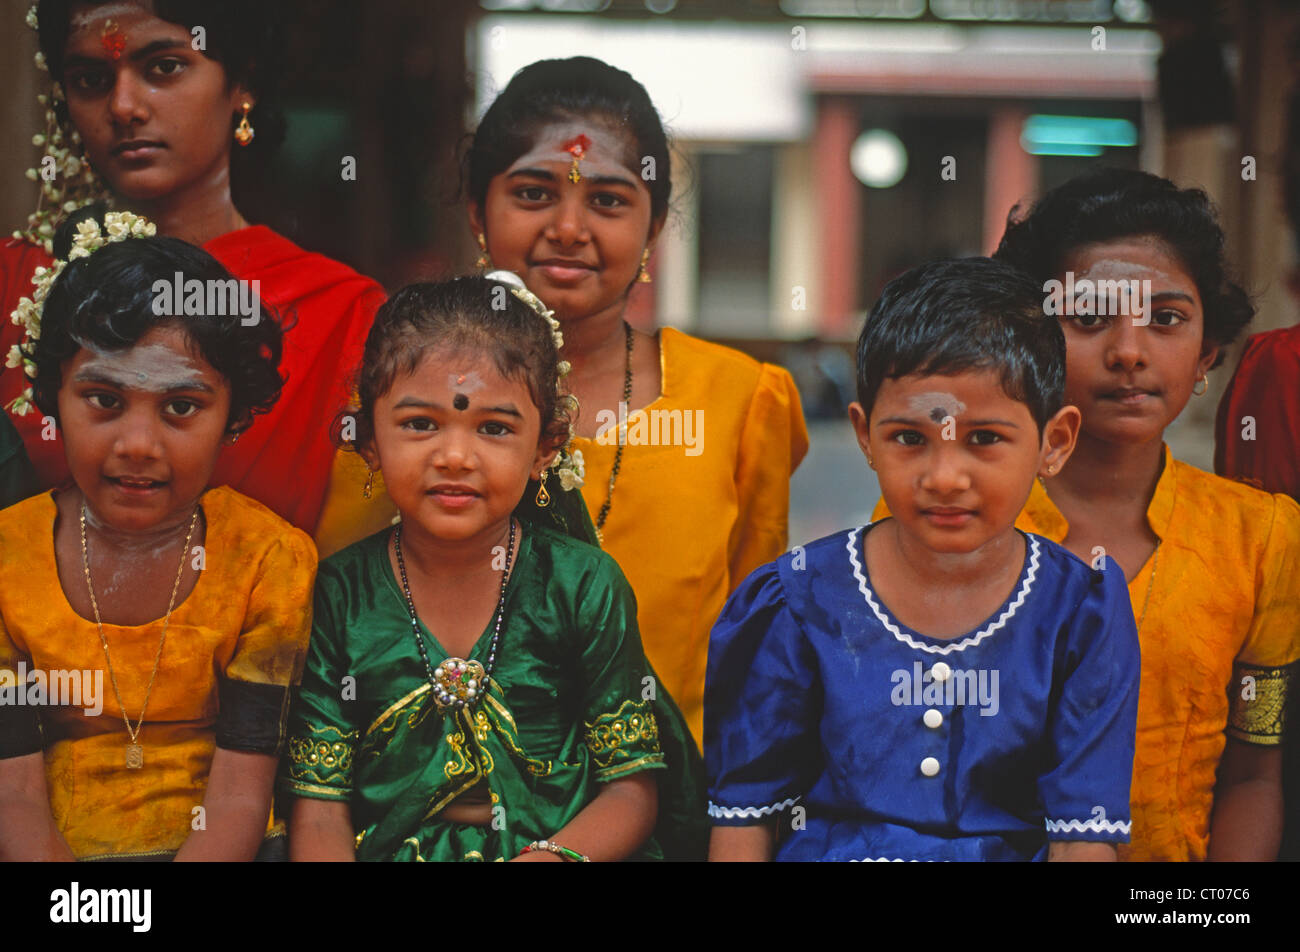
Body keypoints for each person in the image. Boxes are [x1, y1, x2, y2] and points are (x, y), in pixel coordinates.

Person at [706, 257, 1140, 862]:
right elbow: (745, 815)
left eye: (984, 439)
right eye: (909, 438)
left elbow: (1081, 838)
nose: (944, 477)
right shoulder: (799, 598)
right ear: (865, 436)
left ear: (1054, 442)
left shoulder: (1081, 612)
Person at [282, 273, 707, 862]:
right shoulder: (338, 594)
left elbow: (632, 791)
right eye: (420, 424)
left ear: (544, 449)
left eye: (493, 429)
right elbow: (320, 804)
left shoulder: (582, 586)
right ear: (370, 441)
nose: (455, 456)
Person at [465, 56, 809, 747]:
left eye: (608, 201)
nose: (569, 228)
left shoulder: (739, 400)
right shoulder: (403, 392)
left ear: (653, 231)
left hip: (673, 809)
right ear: (479, 214)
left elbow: (758, 651)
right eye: (534, 194)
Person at [2, 0, 391, 548]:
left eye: (163, 67)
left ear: (242, 84)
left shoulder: (343, 312)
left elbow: (345, 585)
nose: (124, 106)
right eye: (91, 79)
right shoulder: (14, 282)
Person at [993, 168, 1300, 861]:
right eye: (1089, 318)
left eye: (1165, 320)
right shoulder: (960, 512)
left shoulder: (1262, 538)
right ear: (1032, 338)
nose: (1129, 352)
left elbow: (1256, 772)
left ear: (1207, 354)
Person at [0, 211, 315, 861]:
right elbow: (14, 797)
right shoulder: (7, 557)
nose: (138, 445)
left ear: (234, 416)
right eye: (105, 401)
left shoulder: (267, 561)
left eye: (181, 407)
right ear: (54, 396)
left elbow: (239, 793)